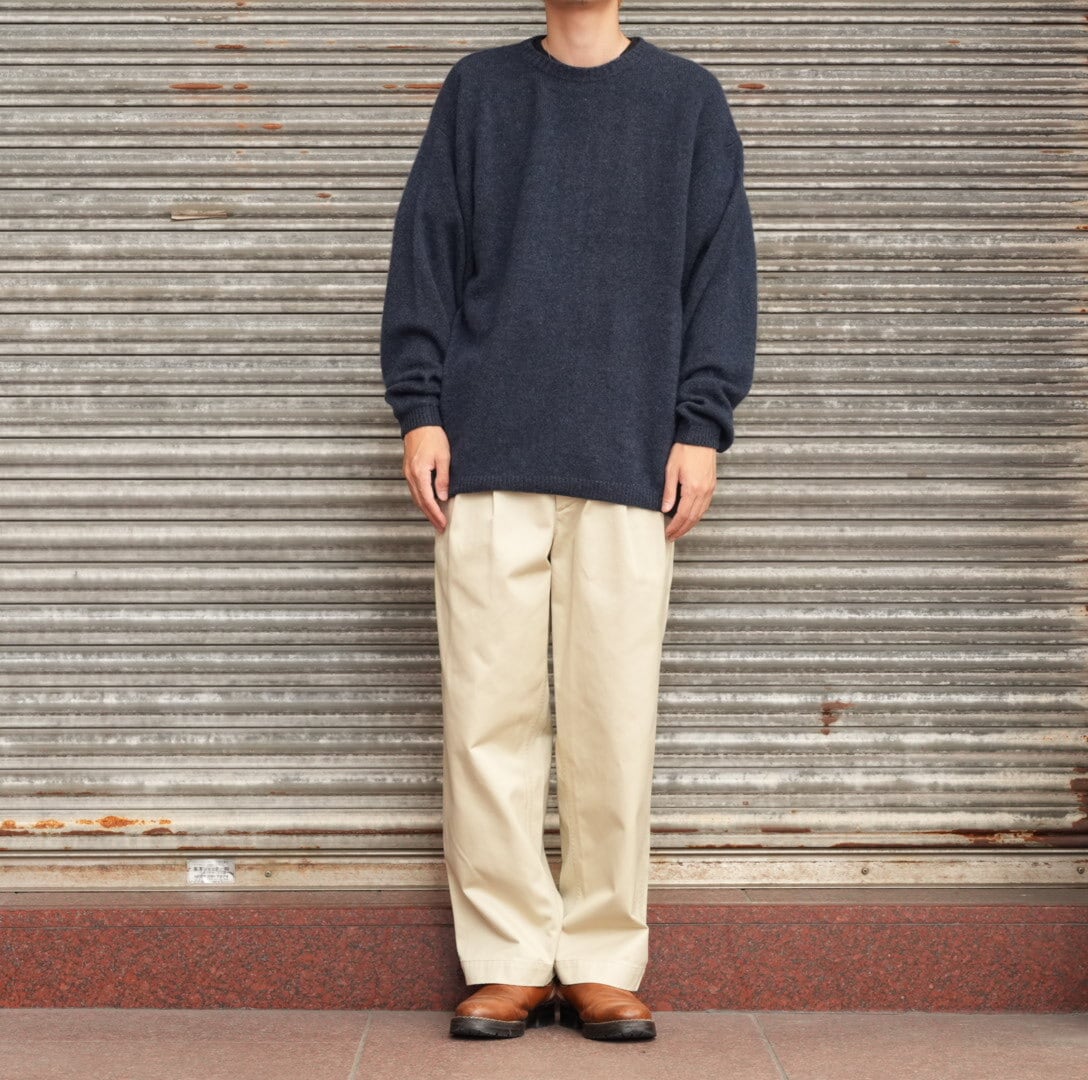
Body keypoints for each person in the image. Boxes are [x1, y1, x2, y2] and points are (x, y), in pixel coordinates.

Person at [379, 0, 757, 1043]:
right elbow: (426, 251)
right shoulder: (481, 91)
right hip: (488, 449)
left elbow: (721, 272)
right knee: (486, 720)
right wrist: (420, 409)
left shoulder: (684, 101)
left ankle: (599, 959)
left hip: (630, 455)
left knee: (612, 720)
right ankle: (506, 959)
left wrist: (701, 426)